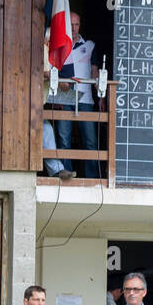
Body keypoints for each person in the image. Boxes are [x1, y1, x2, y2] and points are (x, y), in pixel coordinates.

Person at [55, 11, 99, 178]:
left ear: (80, 25)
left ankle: (92, 178)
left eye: (76, 24)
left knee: (90, 141)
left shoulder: (89, 45)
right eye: (70, 24)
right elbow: (50, 69)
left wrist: (100, 95)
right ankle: (66, 176)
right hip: (64, 95)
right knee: (63, 139)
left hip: (85, 96)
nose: (73, 28)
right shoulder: (58, 45)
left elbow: (94, 71)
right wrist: (59, 84)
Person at [42, 31, 75, 180]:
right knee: (47, 129)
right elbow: (45, 74)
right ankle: (56, 170)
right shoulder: (42, 51)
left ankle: (56, 170)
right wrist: (58, 80)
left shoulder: (50, 56)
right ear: (49, 42)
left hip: (38, 106)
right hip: (24, 107)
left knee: (47, 129)